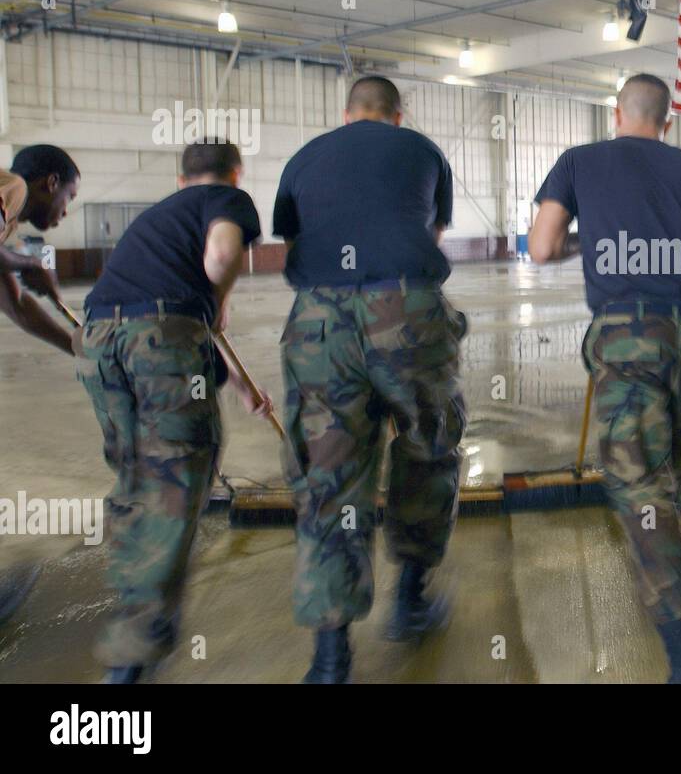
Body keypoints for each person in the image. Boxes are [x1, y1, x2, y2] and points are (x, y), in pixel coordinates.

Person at [529, 74, 681, 684]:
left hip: (627, 333)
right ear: (667, 119)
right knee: (666, 458)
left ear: (617, 113)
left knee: (636, 481)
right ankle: (664, 536)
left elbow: (541, 248)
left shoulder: (579, 161)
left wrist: (592, 248)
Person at [273, 75, 467, 683]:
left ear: (346, 113)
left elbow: (292, 238)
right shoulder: (425, 153)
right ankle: (409, 600)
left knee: (328, 474)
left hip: (318, 322)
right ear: (397, 116)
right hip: (405, 309)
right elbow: (430, 235)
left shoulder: (305, 157)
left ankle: (331, 659)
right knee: (427, 447)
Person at [77, 140, 271, 683]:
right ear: (234, 173)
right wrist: (223, 298)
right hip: (157, 341)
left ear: (180, 177)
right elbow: (221, 259)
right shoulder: (228, 199)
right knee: (176, 478)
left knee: (137, 474)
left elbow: (163, 310)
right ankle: (133, 654)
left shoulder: (159, 215)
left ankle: (132, 590)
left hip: (97, 342)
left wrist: (239, 386)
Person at [0, 144, 80, 354]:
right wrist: (32, 263)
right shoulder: (14, 187)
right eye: (70, 197)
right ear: (52, 183)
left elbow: (17, 304)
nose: (64, 213)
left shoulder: (7, 223)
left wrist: (80, 350)